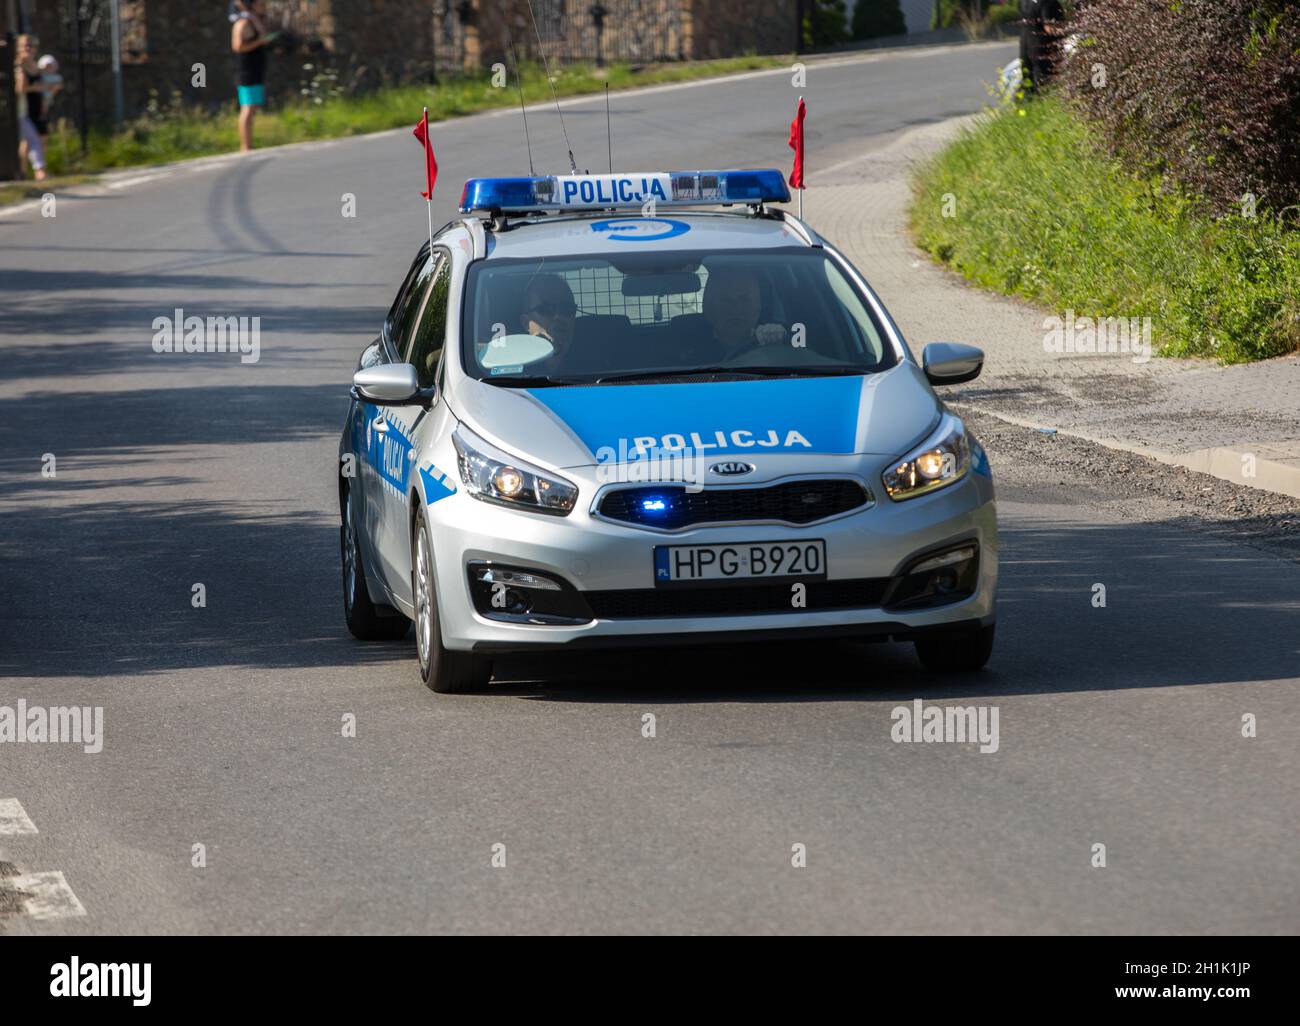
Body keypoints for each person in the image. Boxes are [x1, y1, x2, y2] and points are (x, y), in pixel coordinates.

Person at [230, 0, 277, 152]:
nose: (264, 7)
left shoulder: (253, 21)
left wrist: (254, 17)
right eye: (260, 4)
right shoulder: (242, 24)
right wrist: (258, 42)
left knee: (253, 107)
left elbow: (263, 35)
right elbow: (238, 47)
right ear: (252, 5)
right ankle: (245, 146)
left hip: (257, 71)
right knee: (247, 108)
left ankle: (249, 144)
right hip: (247, 72)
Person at [517, 274, 578, 367]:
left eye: (566, 309)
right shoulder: (511, 367)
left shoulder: (599, 364)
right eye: (546, 310)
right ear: (526, 323)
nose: (558, 316)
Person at [14, 35, 47, 182]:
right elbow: (19, 89)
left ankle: (22, 172)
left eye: (29, 45)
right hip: (22, 109)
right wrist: (33, 87)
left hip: (36, 107)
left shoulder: (34, 66)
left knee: (28, 141)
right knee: (32, 139)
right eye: (23, 46)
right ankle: (39, 170)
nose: (27, 48)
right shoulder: (17, 66)